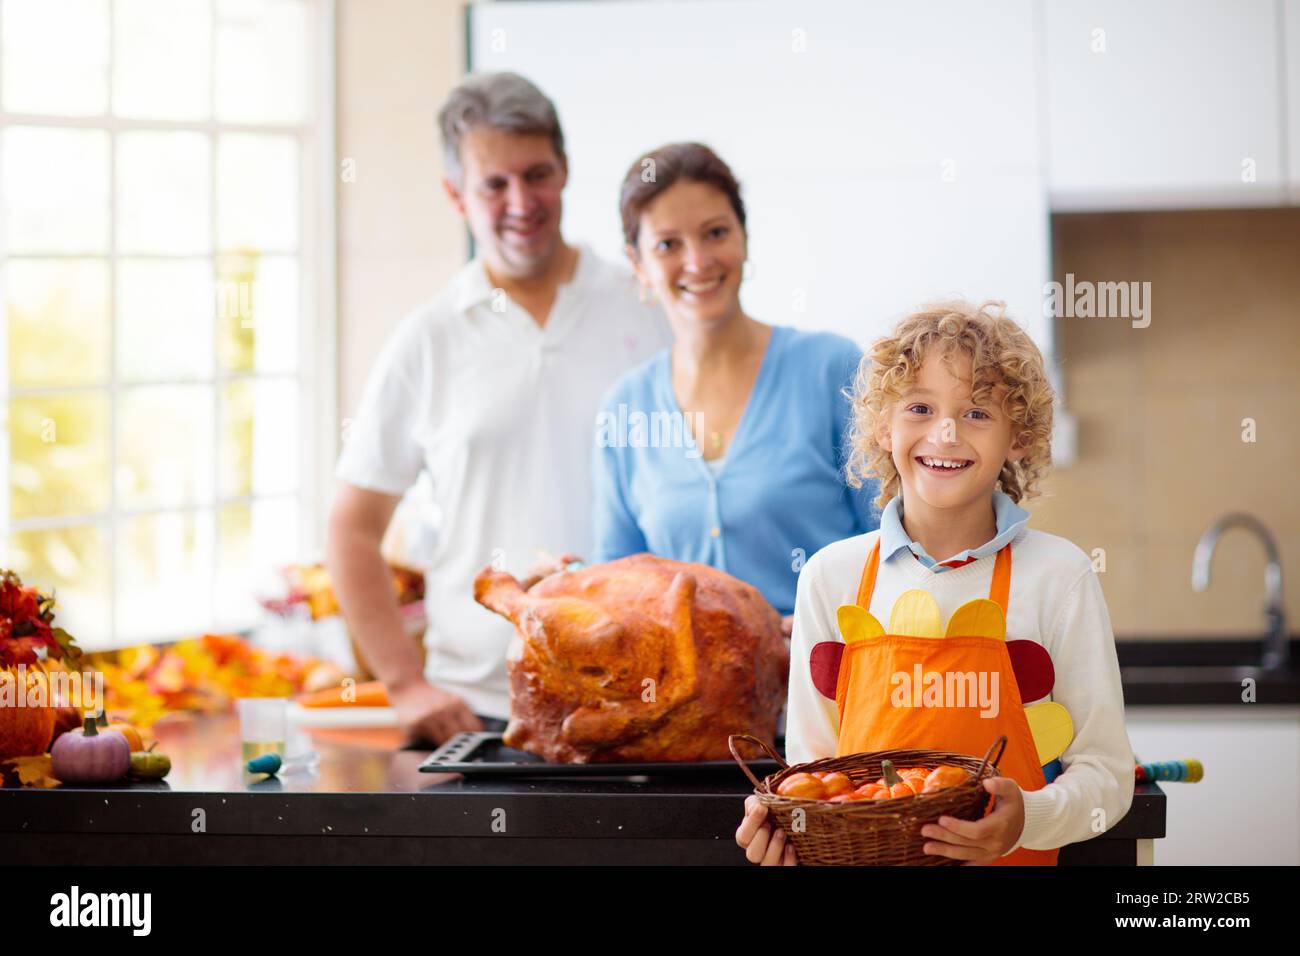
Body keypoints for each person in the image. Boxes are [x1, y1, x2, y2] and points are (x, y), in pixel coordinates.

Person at [327, 72, 670, 746]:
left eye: (537, 173)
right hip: (480, 708)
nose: (521, 201)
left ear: (566, 170)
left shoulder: (647, 307)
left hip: (638, 701)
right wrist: (403, 683)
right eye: (494, 184)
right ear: (456, 195)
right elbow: (350, 529)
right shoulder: (427, 340)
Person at [736, 299, 1134, 865]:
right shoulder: (832, 577)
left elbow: (1108, 777)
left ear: (1017, 437)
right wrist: (790, 834)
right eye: (919, 407)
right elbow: (815, 779)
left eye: (977, 413)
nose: (945, 434)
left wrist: (1027, 820)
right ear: (883, 424)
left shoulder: (1059, 576)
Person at [591, 142, 879, 629]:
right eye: (668, 244)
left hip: (828, 687)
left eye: (716, 233)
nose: (698, 261)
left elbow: (893, 543)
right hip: (686, 701)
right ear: (637, 264)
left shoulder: (834, 368)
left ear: (744, 238)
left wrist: (818, 627)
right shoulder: (625, 407)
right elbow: (617, 585)